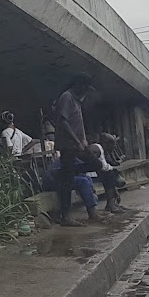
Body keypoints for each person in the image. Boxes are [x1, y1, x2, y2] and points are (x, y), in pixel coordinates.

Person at [51, 74, 102, 226]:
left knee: (96, 165)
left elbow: (78, 123)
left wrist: (84, 139)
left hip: (77, 144)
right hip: (68, 145)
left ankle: (64, 172)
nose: (86, 92)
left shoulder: (77, 100)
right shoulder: (66, 97)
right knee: (66, 184)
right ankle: (65, 217)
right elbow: (63, 122)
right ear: (79, 85)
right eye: (85, 88)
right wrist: (77, 141)